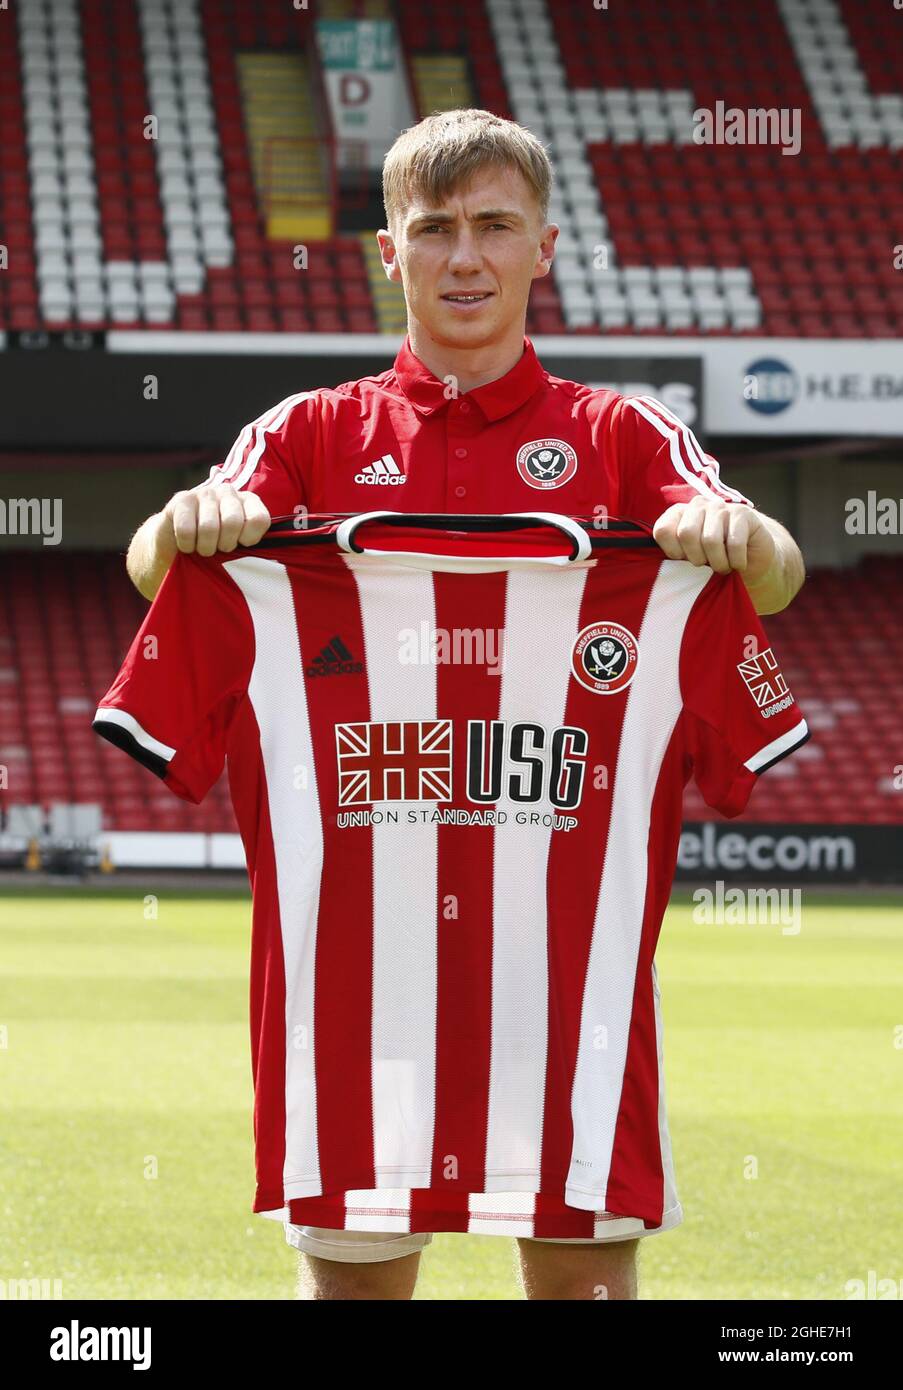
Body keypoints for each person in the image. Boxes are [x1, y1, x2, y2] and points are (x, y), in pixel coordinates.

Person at [125, 109, 805, 1300]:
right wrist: (181, 525)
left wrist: (741, 537)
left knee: (584, 1283)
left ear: (545, 245)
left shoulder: (626, 435)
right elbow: (164, 566)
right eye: (434, 229)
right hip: (355, 1000)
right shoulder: (306, 433)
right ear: (390, 252)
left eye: (496, 226)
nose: (466, 258)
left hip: (569, 1003)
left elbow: (775, 573)